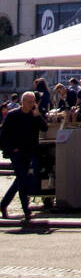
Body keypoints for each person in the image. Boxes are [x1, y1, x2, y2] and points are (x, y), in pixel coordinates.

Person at [0, 91, 47, 222]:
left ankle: (3, 205)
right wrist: (11, 148)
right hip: (16, 152)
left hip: (29, 152)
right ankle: (26, 210)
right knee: (23, 180)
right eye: (30, 102)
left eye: (33, 102)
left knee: (20, 181)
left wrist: (38, 116)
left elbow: (44, 128)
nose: (32, 104)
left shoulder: (34, 115)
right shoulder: (12, 115)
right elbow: (3, 135)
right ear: (23, 102)